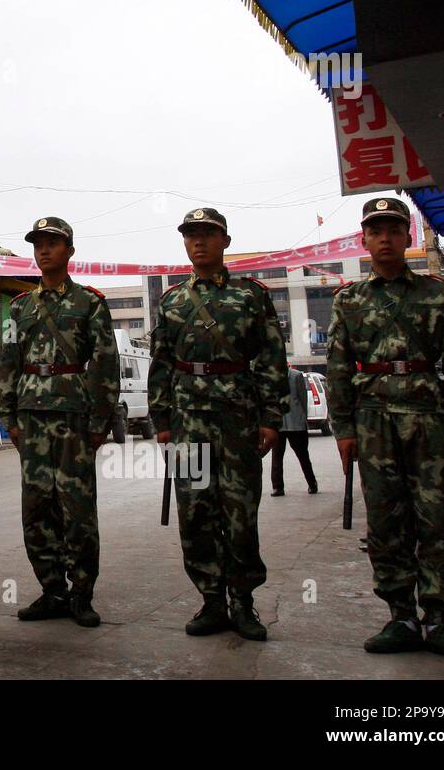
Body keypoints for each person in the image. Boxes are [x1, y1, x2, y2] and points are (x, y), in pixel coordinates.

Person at [326, 197, 444, 662]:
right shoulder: (349, 299)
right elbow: (336, 367)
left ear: (407, 237)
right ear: (364, 240)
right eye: (376, 231)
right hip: (372, 420)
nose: (385, 239)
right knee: (386, 520)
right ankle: (401, 616)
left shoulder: (434, 294)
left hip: (429, 420)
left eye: (394, 230)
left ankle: (439, 619)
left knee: (436, 519)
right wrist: (343, 429)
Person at [149, 208, 286, 642]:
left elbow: (270, 358)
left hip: (238, 416)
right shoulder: (171, 300)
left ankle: (243, 601)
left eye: (208, 234)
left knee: (240, 511)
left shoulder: (250, 294)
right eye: (191, 235)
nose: (199, 242)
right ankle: (210, 599)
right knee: (195, 512)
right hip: (188, 419)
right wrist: (163, 419)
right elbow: (162, 363)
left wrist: (271, 416)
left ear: (225, 241)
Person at [0, 217, 118, 627]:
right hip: (31, 417)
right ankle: (52, 591)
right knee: (36, 508)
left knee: (77, 508)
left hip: (74, 416)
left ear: (69, 250)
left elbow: (105, 362)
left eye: (53, 243)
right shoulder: (19, 308)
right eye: (38, 243)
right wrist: (7, 415)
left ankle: (81, 594)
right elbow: (9, 362)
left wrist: (100, 418)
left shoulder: (90, 302)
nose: (44, 249)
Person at [271, 367, 317, 496]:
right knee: (277, 457)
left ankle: (312, 483)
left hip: (296, 422)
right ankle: (277, 487)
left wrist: (305, 419)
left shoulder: (296, 376)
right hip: (278, 423)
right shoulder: (272, 376)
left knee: (303, 455)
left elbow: (303, 398)